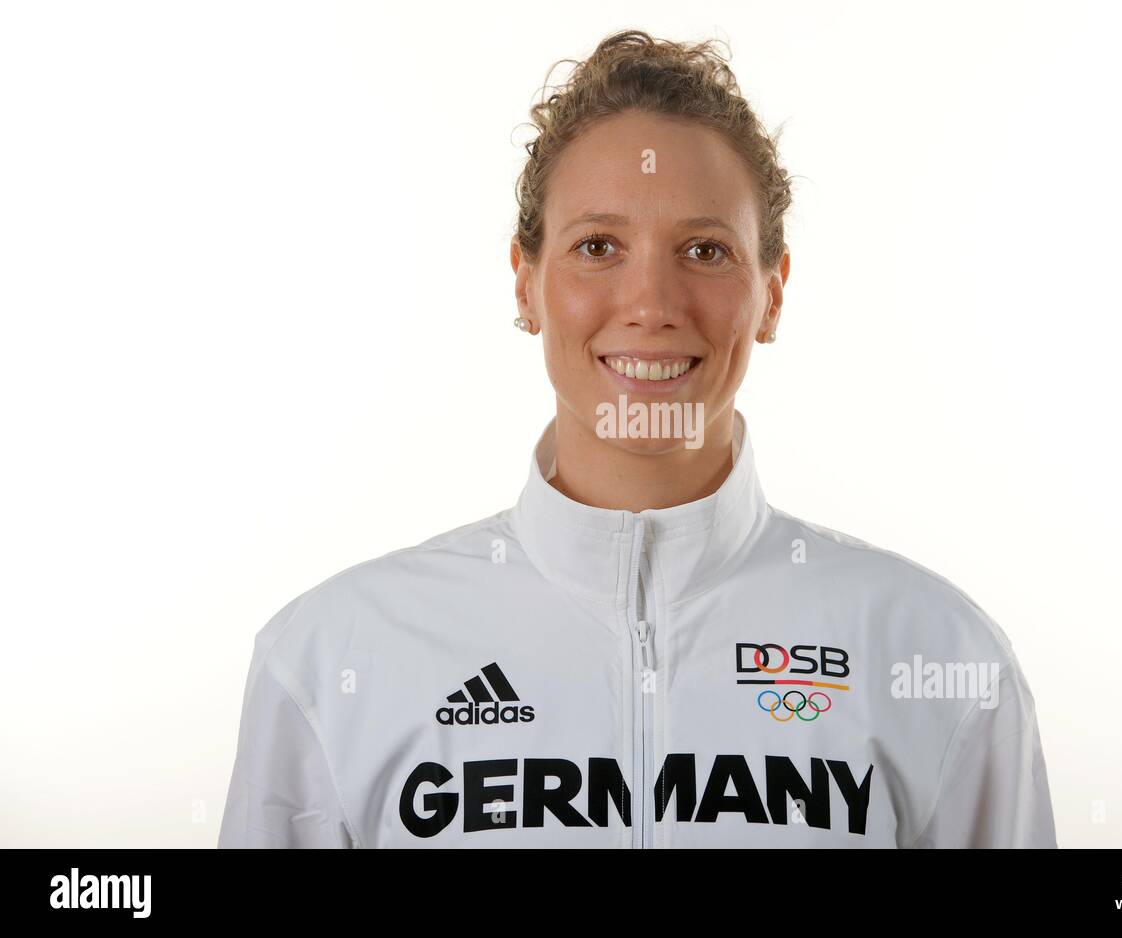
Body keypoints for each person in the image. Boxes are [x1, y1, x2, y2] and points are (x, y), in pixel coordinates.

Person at [217, 28, 1057, 848]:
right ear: (526, 284)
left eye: (704, 249)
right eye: (597, 246)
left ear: (771, 292)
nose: (651, 302)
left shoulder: (937, 657)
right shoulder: (331, 658)